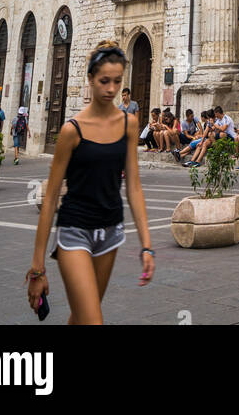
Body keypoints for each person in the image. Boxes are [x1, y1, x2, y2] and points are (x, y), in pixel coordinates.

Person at [26, 39, 154, 325]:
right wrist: (37, 269)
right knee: (94, 321)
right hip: (75, 231)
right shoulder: (71, 130)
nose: (110, 89)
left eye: (117, 81)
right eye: (104, 81)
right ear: (90, 79)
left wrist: (147, 245)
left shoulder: (129, 124)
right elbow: (50, 199)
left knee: (82, 317)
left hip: (111, 231)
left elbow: (133, 186)